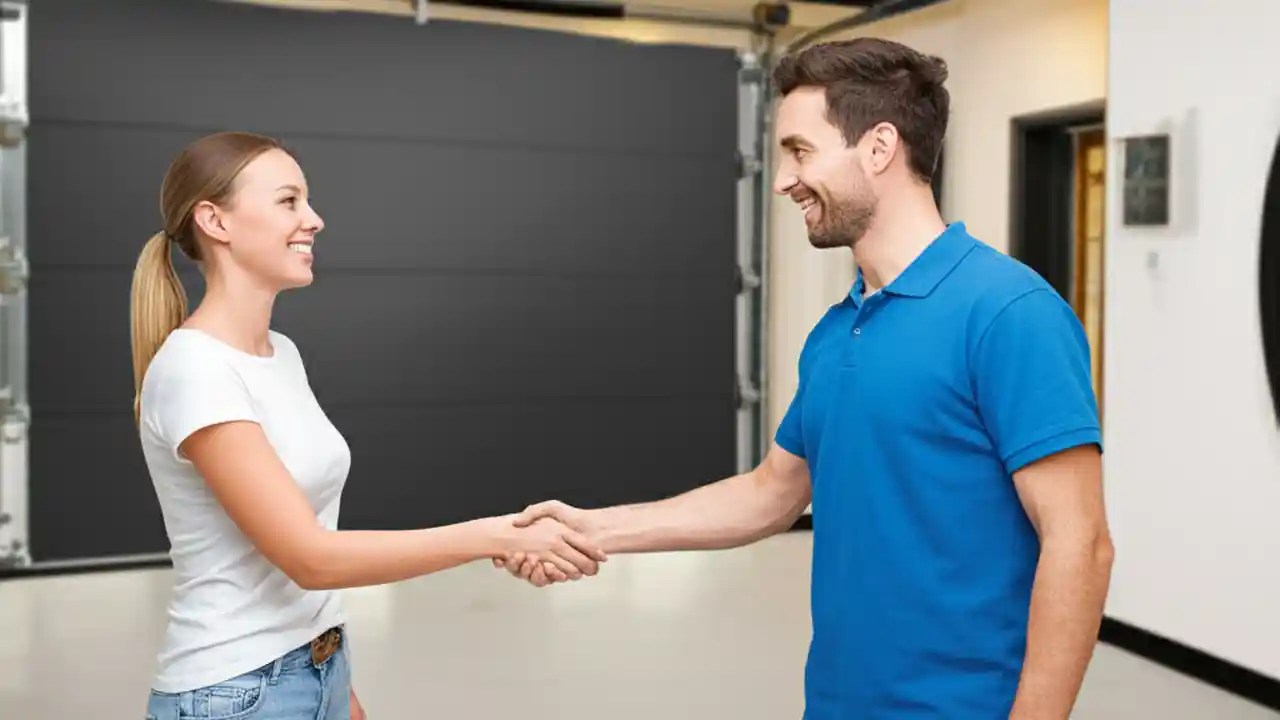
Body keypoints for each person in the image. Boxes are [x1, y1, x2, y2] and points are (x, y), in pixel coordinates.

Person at [497, 38, 1115, 720]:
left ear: (878, 148)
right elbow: (771, 495)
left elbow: (1079, 544)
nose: (785, 179)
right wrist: (590, 530)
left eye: (800, 151)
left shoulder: (1008, 313)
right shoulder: (837, 330)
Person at [131, 131, 607, 720]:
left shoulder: (281, 353)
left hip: (317, 667)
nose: (315, 219)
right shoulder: (195, 370)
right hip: (236, 691)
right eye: (289, 201)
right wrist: (499, 536)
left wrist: (336, 685)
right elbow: (310, 557)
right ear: (215, 221)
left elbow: (307, 560)